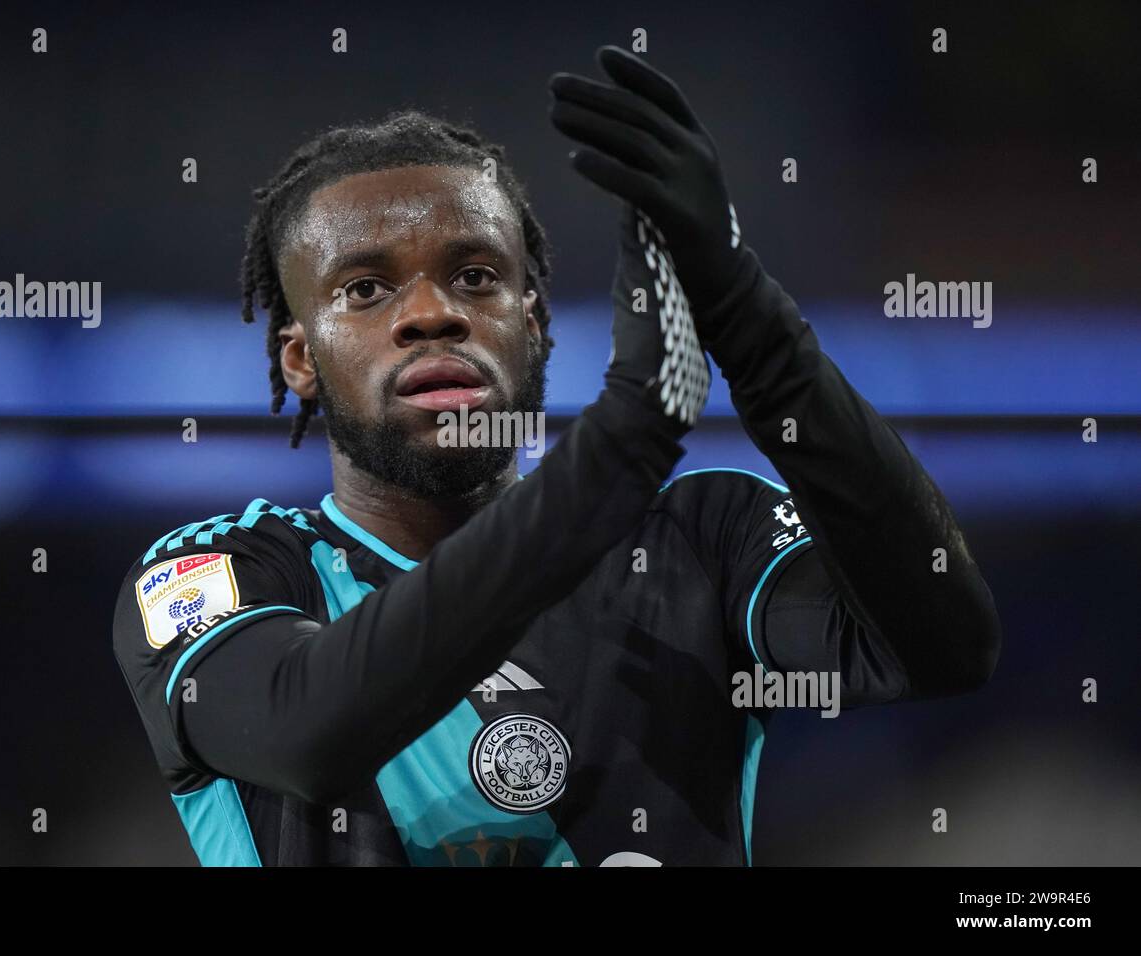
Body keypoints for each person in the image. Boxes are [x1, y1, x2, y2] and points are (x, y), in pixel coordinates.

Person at [112, 46, 1000, 866]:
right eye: (366, 289)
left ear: (532, 325)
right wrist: (624, 441)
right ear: (299, 360)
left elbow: (941, 646)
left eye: (476, 276)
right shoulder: (221, 570)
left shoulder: (700, 539)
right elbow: (309, 730)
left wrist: (753, 328)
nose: (431, 313)